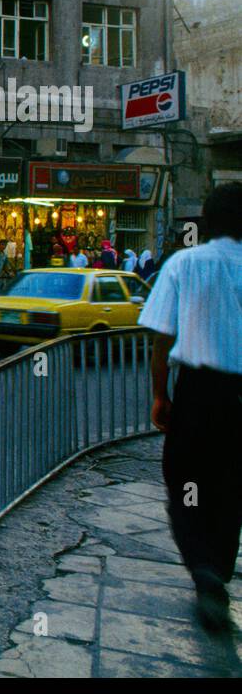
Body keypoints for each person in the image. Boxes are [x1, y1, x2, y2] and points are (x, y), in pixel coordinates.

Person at [139, 183, 242, 632]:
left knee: (186, 480)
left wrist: (161, 395)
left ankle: (202, 566)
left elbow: (162, 339)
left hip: (199, 395)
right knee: (231, 486)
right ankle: (217, 567)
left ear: (206, 220)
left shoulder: (184, 263)